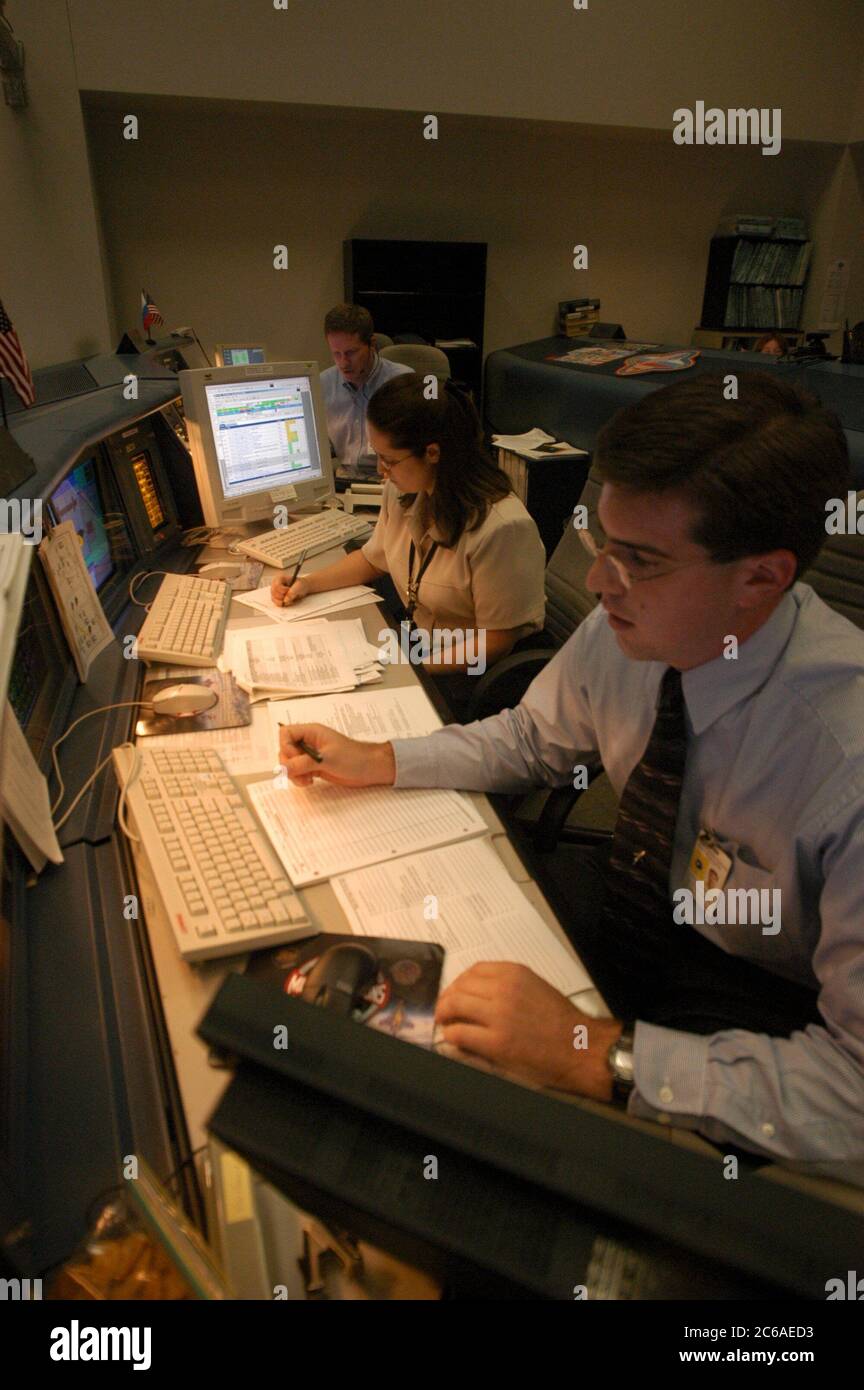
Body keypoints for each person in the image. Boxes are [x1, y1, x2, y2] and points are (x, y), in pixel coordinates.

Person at [277, 372, 864, 1180]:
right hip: (640, 901)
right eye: (601, 545)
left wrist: (597, 1056)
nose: (595, 583)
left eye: (639, 561)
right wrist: (381, 760)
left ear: (762, 577)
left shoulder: (846, 762)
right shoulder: (623, 632)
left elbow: (856, 1090)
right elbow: (529, 737)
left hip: (756, 995)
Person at [271, 373, 546, 688]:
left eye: (388, 460)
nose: (380, 472)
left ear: (432, 453)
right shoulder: (404, 490)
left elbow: (496, 641)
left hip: (465, 670)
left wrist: (411, 668)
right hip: (419, 645)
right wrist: (307, 584)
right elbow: (374, 559)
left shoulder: (502, 529)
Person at [319, 303, 412, 471]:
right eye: (336, 354)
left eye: (351, 353)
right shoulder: (323, 384)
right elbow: (322, 448)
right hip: (344, 481)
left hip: (391, 479)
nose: (343, 363)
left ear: (372, 344)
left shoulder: (402, 380)